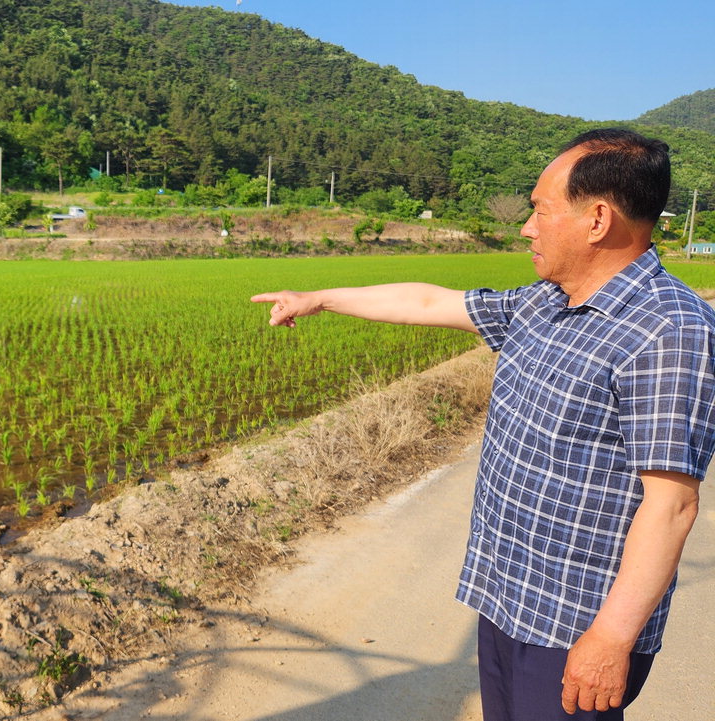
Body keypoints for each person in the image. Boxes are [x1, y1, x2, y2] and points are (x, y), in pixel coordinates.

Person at [252, 128, 715, 721]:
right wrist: (317, 297)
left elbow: (671, 506)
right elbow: (429, 303)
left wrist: (611, 640)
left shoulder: (669, 331)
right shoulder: (546, 302)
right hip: (508, 593)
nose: (527, 227)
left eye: (540, 210)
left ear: (597, 219)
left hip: (576, 624)